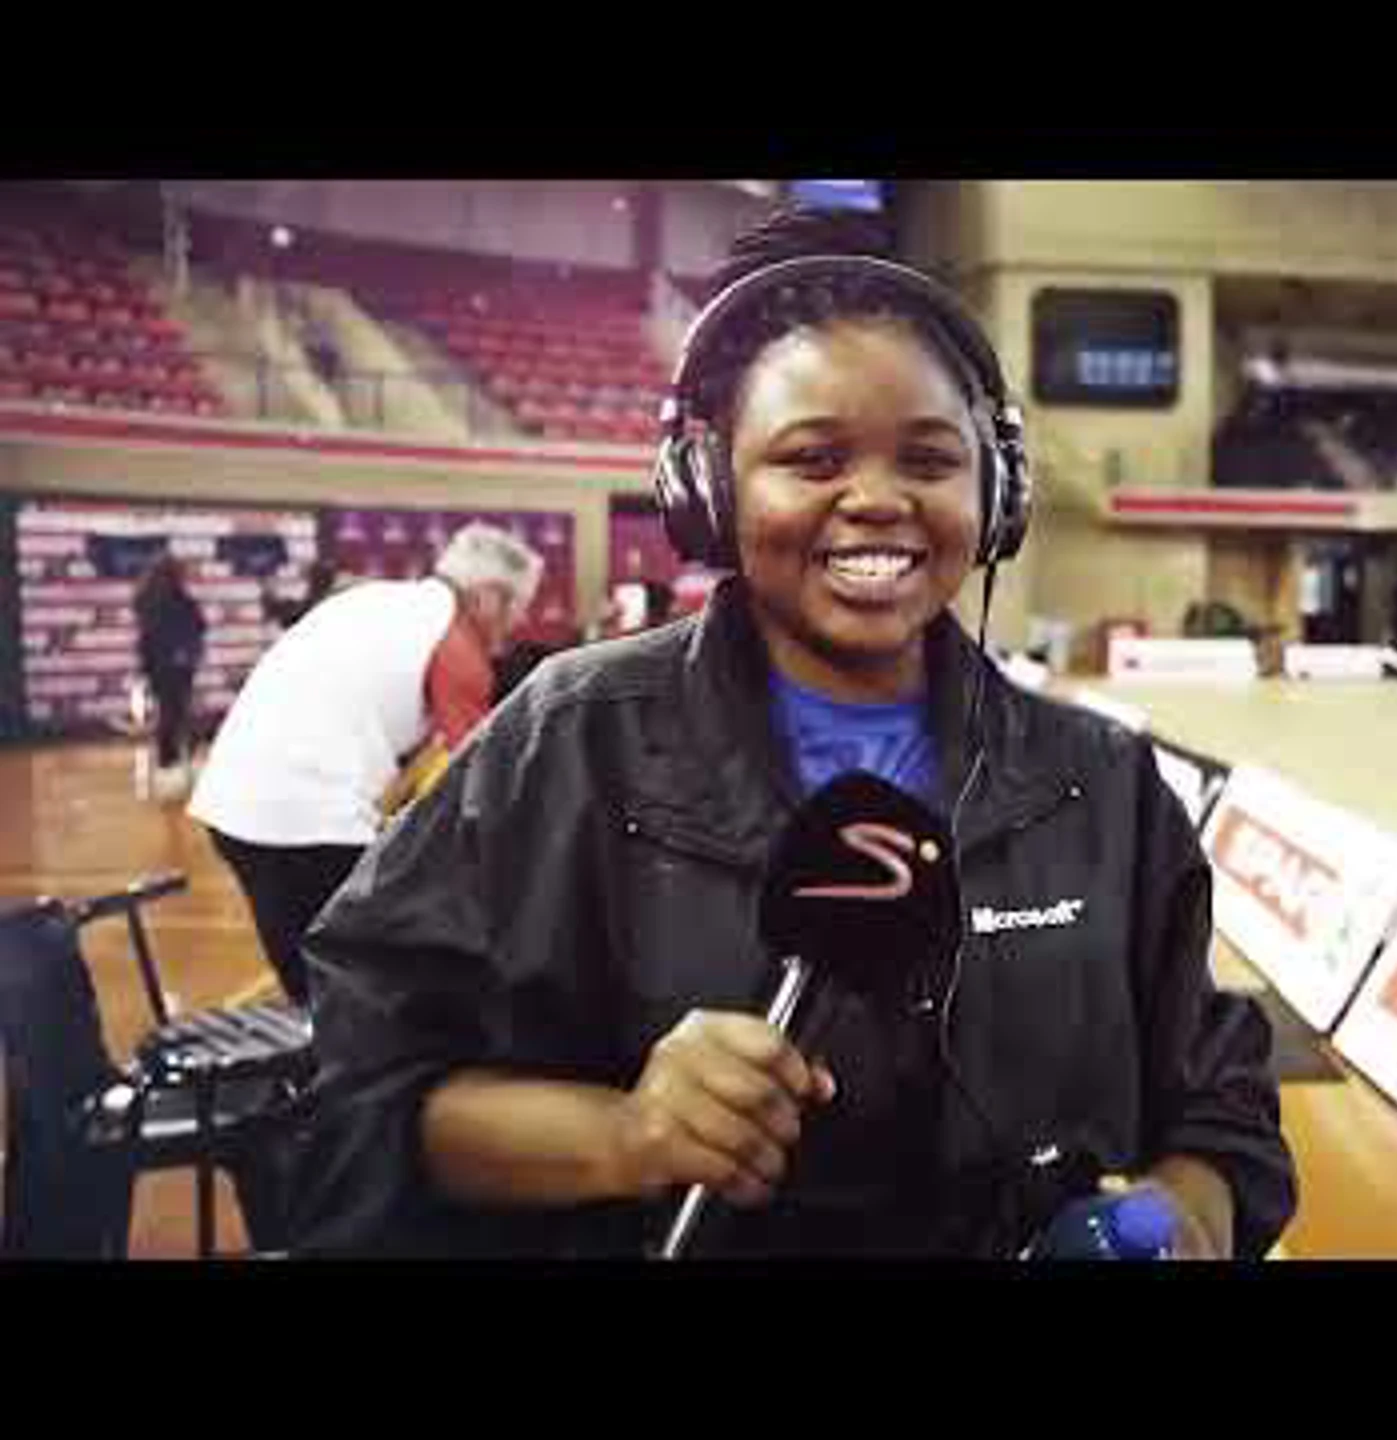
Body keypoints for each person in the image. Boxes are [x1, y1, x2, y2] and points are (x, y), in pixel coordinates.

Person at [290, 207, 1296, 1260]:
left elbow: (1223, 1117)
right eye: (812, 459)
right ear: (712, 490)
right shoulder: (567, 740)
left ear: (996, 494)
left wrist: (1171, 1222)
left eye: (929, 458)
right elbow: (363, 1096)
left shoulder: (1102, 782)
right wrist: (623, 1136)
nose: (876, 500)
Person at [187, 523, 542, 1007]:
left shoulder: (388, 605)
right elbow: (483, 782)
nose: (518, 624)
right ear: (488, 596)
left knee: (319, 986)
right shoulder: (454, 645)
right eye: (518, 607)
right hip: (304, 818)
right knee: (370, 990)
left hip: (236, 806)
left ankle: (328, 1063)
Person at [131, 552, 206, 802]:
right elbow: (198, 625)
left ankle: (170, 767)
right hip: (177, 666)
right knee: (177, 713)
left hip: (159, 667)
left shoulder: (145, 598)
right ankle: (174, 767)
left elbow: (146, 638)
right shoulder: (176, 599)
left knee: (170, 713)